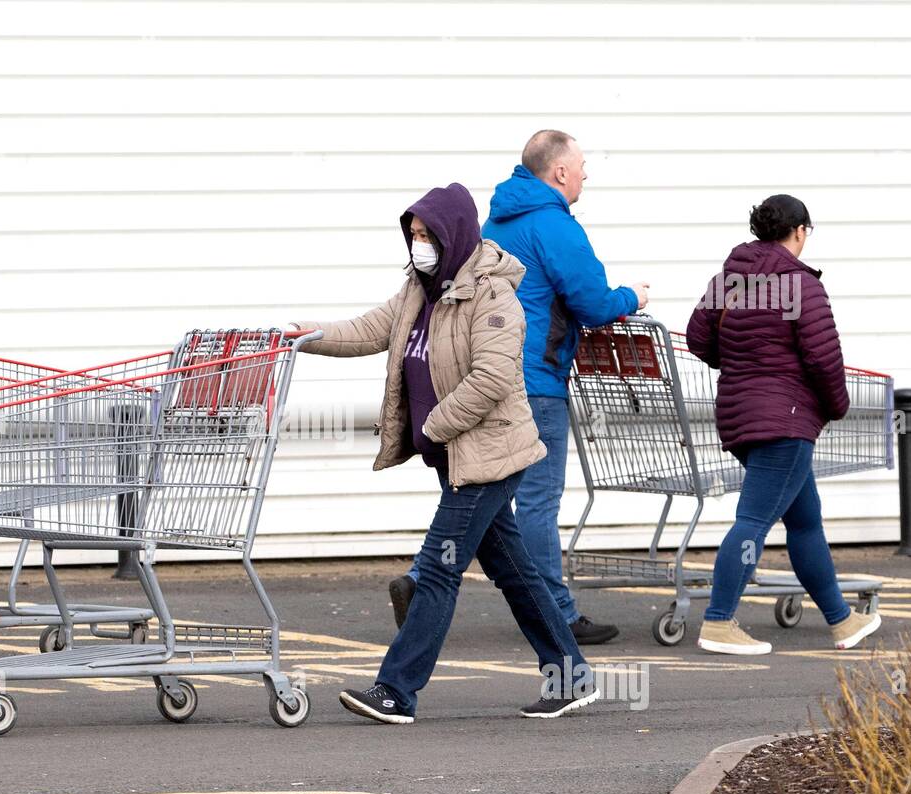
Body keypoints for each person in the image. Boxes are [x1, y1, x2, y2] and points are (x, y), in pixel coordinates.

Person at [292, 183, 599, 723]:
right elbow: (372, 329)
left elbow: (493, 377)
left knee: (438, 569)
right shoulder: (420, 288)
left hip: (487, 454)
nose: (418, 244)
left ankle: (396, 691)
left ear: (453, 234)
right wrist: (310, 335)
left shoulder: (492, 295)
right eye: (412, 235)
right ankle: (571, 677)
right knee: (516, 573)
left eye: (427, 234)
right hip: (453, 455)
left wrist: (432, 427)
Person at [389, 130, 649, 646]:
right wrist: (633, 297)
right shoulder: (555, 226)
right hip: (533, 381)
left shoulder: (497, 221)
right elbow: (593, 302)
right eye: (580, 166)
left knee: (484, 497)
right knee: (534, 499)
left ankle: (422, 580)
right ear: (558, 173)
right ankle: (558, 612)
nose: (585, 174)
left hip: (481, 373)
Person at [685, 194, 880, 654]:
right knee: (752, 521)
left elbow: (698, 338)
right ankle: (718, 621)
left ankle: (841, 620)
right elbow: (823, 358)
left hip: (741, 414)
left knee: (805, 521)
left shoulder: (728, 280)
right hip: (787, 418)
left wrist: (738, 362)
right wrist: (836, 406)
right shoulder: (799, 285)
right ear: (800, 232)